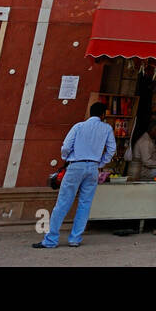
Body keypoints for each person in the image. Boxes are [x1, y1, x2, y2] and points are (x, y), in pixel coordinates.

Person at [33, 102, 116, 248]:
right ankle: (75, 239)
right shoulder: (107, 128)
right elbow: (111, 149)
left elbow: (66, 146)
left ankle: (51, 239)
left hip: (76, 165)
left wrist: (67, 157)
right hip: (93, 167)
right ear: (103, 115)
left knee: (63, 203)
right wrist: (101, 163)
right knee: (85, 203)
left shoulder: (79, 126)